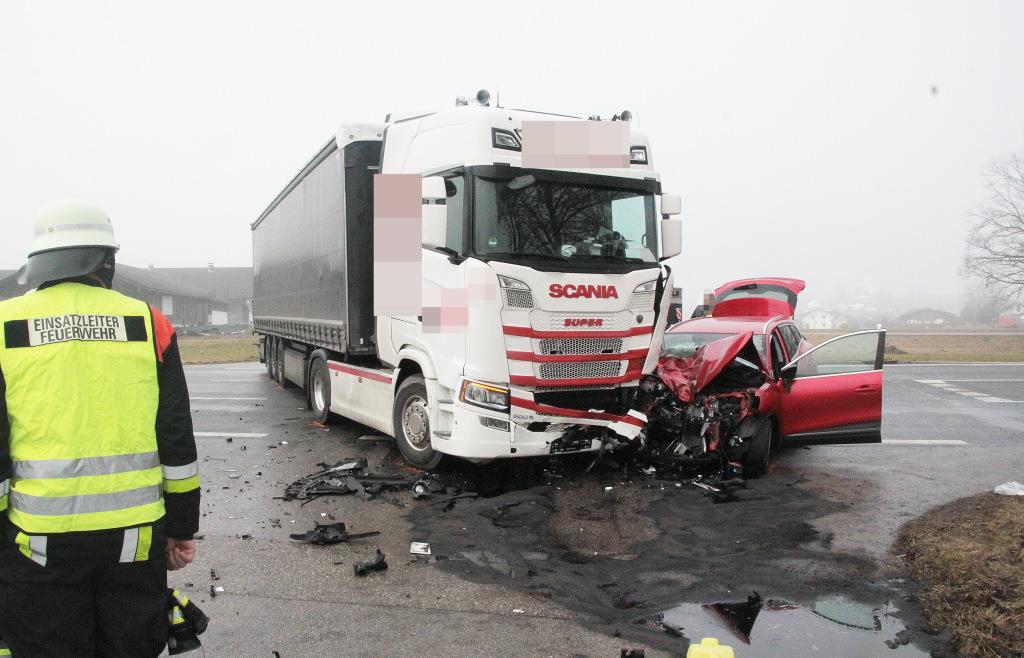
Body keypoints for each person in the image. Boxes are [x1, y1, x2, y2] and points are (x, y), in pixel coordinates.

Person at [0, 201, 201, 656]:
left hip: (36, 544)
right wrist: (182, 527)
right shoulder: (151, 324)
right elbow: (176, 440)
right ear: (106, 260)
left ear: (39, 263)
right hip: (134, 540)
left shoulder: (4, 325)